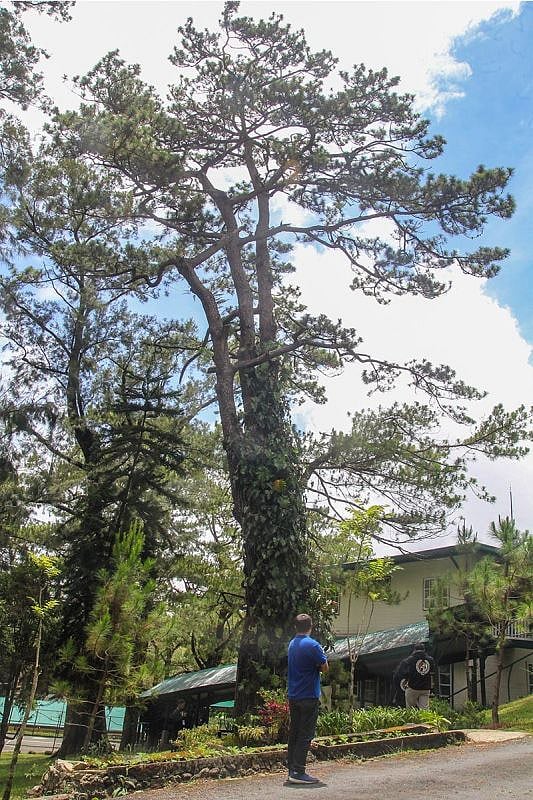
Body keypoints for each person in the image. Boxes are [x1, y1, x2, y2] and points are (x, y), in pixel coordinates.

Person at [286, 613, 328, 784]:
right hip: (309, 695)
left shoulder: (292, 644)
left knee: (294, 733)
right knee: (306, 734)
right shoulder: (313, 645)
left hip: (294, 694)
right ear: (311, 626)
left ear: (295, 627)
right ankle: (298, 771)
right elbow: (325, 667)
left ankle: (291, 768)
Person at [394, 642, 435, 709]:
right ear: (424, 650)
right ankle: (424, 719)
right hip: (425, 689)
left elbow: (400, 672)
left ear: (414, 650)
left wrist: (407, 677)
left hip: (413, 687)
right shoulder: (430, 660)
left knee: (411, 709)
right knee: (424, 710)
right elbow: (432, 672)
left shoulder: (409, 660)